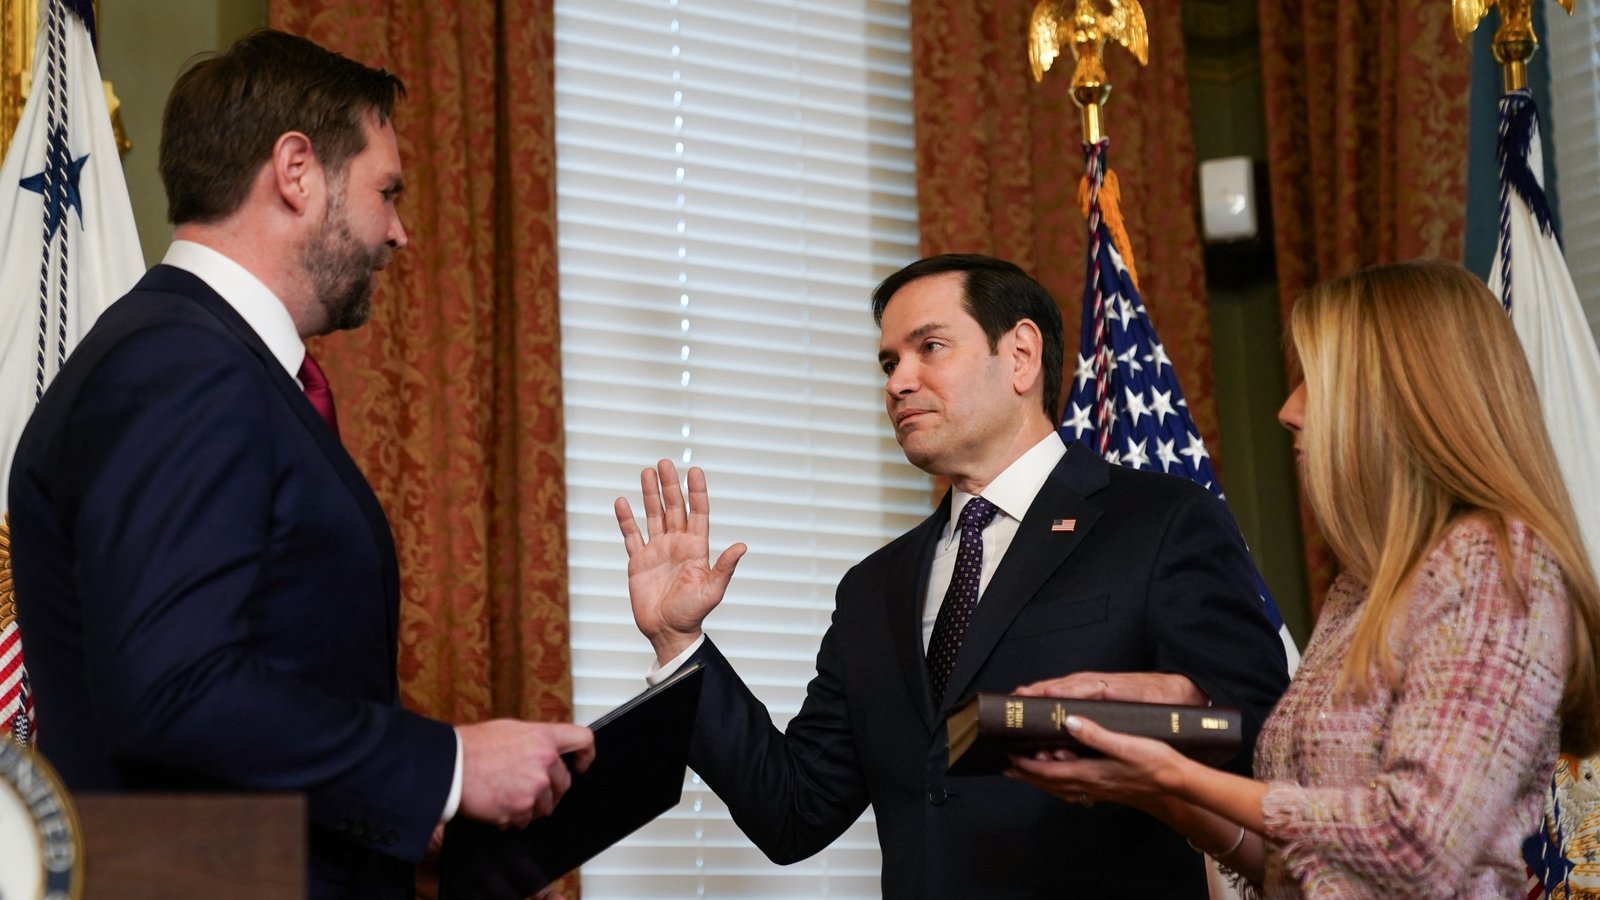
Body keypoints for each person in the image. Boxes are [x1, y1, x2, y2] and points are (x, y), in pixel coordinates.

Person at [10, 30, 594, 900]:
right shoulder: (183, 365)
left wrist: (405, 820)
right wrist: (448, 764)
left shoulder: (195, 355)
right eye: (386, 190)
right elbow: (175, 688)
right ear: (296, 171)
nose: (398, 233)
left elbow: (243, 685)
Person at [615, 253, 1291, 898]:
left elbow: (1261, 748)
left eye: (929, 348)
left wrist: (1142, 707)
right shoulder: (873, 590)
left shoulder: (1161, 523)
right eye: (888, 361)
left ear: (1020, 355)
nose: (897, 381)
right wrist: (680, 645)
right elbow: (793, 812)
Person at [1008, 259, 1600, 897]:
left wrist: (1181, 778)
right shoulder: (1364, 585)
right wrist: (1154, 786)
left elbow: (1416, 845)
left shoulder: (1498, 564)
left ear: (1404, 396)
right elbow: (1310, 867)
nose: (1289, 409)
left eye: (1318, 380)